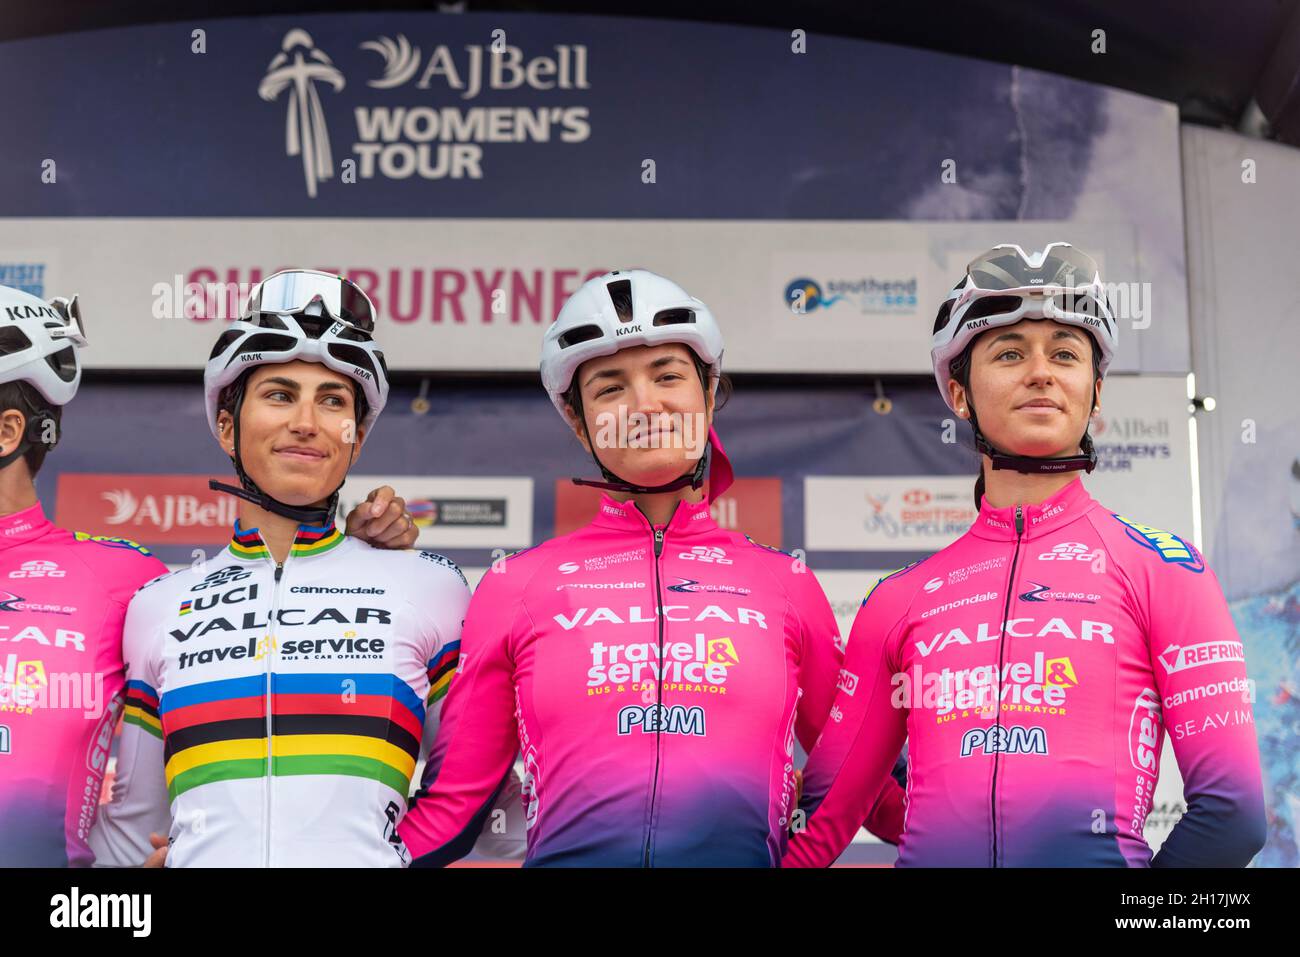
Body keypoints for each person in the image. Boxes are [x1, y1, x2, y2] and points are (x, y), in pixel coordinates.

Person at [397, 269, 903, 867]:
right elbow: (454, 808)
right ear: (581, 426)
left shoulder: (784, 584)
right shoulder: (518, 586)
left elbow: (867, 786)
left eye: (668, 376)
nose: (645, 404)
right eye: (610, 388)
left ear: (709, 394)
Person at [784, 242, 1267, 867]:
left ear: (1094, 394)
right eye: (1010, 353)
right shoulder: (899, 601)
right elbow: (821, 819)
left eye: (1065, 354)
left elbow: (1233, 813)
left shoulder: (1164, 570)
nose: (1040, 372)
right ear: (959, 396)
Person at [88, 270, 521, 866]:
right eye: (280, 394)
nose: (307, 423)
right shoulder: (159, 605)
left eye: (333, 402)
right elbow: (131, 830)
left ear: (357, 440)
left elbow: (478, 798)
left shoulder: (430, 588)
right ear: (225, 426)